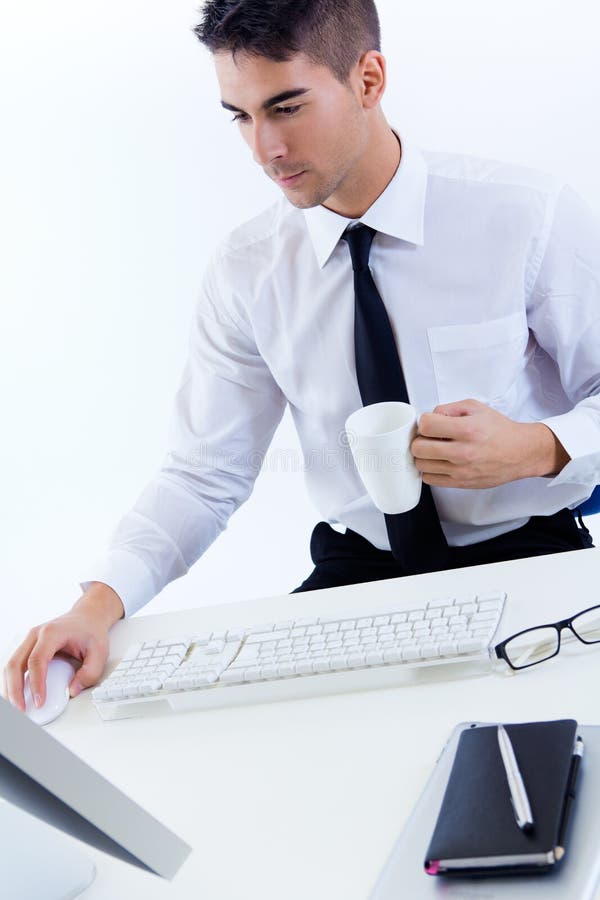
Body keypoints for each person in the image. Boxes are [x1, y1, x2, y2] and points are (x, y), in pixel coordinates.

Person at [4, 0, 599, 711]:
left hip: (527, 556)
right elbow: (204, 471)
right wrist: (96, 606)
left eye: (286, 108)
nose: (264, 150)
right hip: (360, 571)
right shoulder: (248, 270)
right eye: (241, 116)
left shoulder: (525, 215)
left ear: (369, 79)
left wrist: (537, 448)